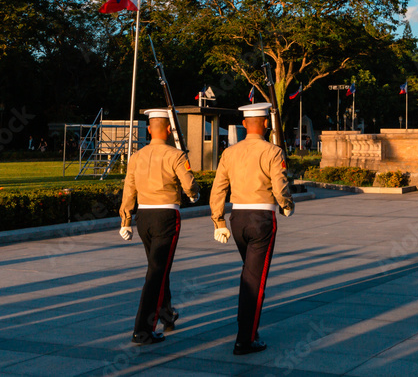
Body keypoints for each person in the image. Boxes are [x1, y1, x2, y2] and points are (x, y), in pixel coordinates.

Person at [211, 102, 295, 355]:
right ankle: (245, 339)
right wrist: (287, 204)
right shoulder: (273, 151)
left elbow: (218, 188)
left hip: (237, 219)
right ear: (266, 124)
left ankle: (249, 330)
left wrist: (218, 221)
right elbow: (279, 184)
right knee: (254, 282)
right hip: (261, 218)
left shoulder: (230, 152)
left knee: (249, 275)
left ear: (245, 124)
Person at [119, 109, 200, 345]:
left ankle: (165, 313)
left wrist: (125, 219)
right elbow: (189, 184)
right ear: (168, 129)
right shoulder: (175, 155)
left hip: (143, 217)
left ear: (148, 129)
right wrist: (194, 194)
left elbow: (129, 189)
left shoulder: (136, 157)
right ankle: (142, 329)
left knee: (158, 267)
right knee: (156, 273)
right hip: (166, 215)